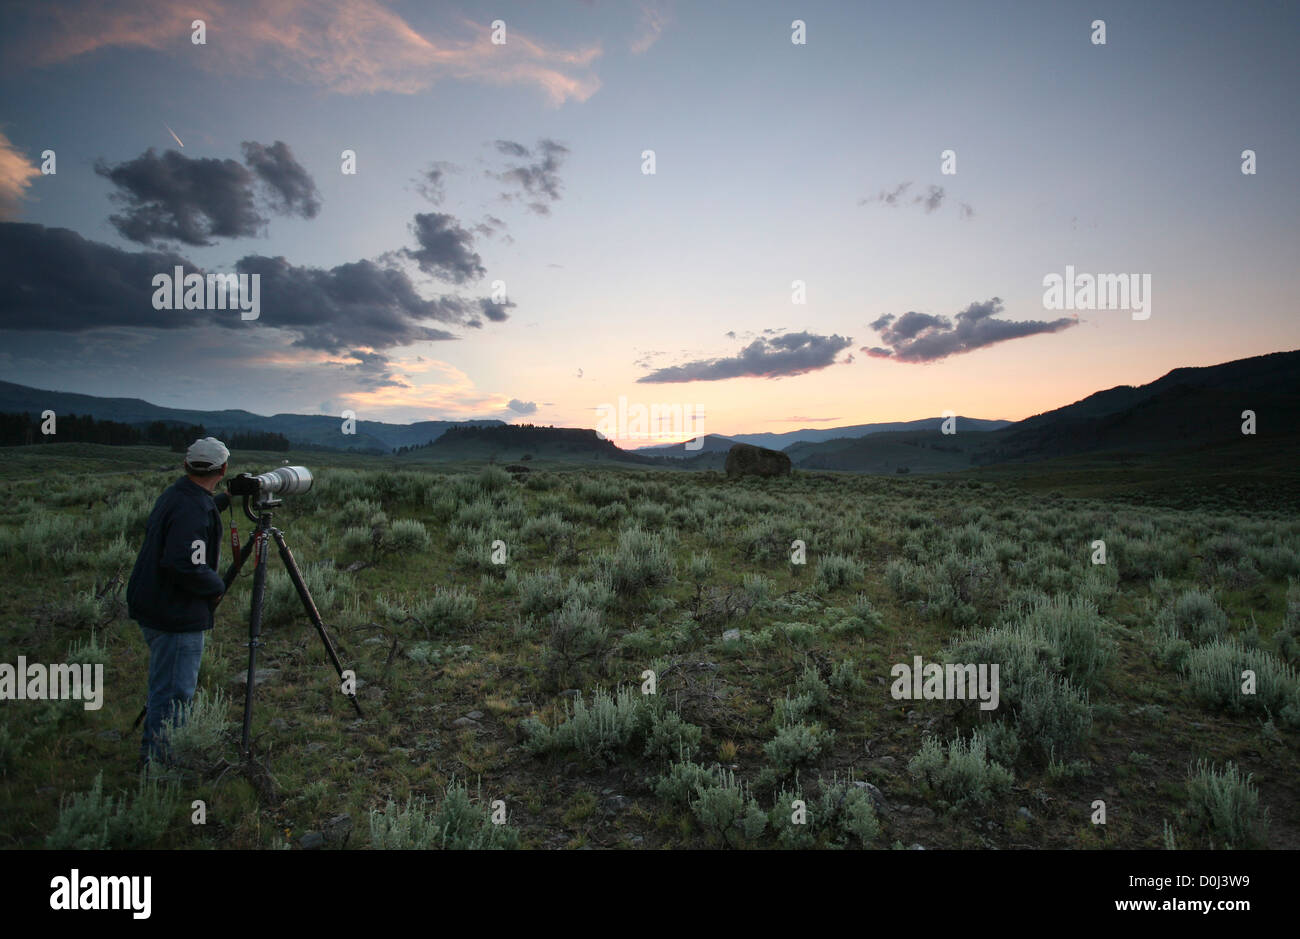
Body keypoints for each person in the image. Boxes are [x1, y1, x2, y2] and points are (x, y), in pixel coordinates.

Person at [126, 436, 231, 766]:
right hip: (174, 613)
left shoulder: (178, 494)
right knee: (174, 694)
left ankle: (161, 756)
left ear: (186, 466)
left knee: (166, 685)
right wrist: (216, 585)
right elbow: (185, 563)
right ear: (224, 468)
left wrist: (225, 499)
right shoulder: (193, 508)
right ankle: (160, 766)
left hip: (155, 606)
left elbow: (197, 509)